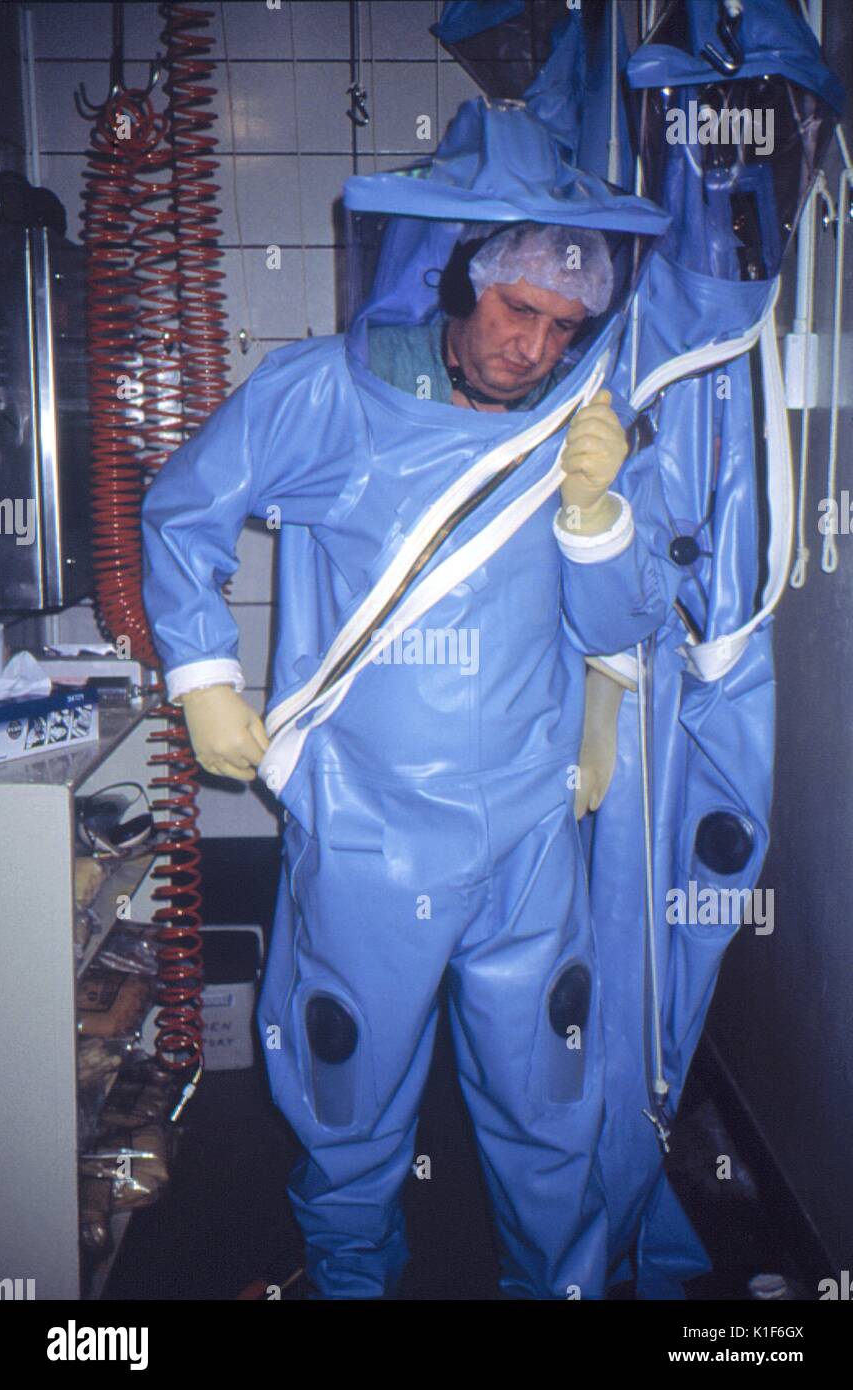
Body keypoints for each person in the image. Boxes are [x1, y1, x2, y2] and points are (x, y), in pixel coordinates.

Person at [142, 184, 681, 1296]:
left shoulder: (579, 417)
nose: (534, 346)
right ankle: (349, 1281)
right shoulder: (330, 394)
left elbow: (621, 622)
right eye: (516, 310)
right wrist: (204, 678)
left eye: (562, 327)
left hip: (528, 826)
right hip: (369, 822)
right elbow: (182, 510)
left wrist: (593, 515)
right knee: (350, 1090)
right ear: (459, 280)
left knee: (549, 1094)